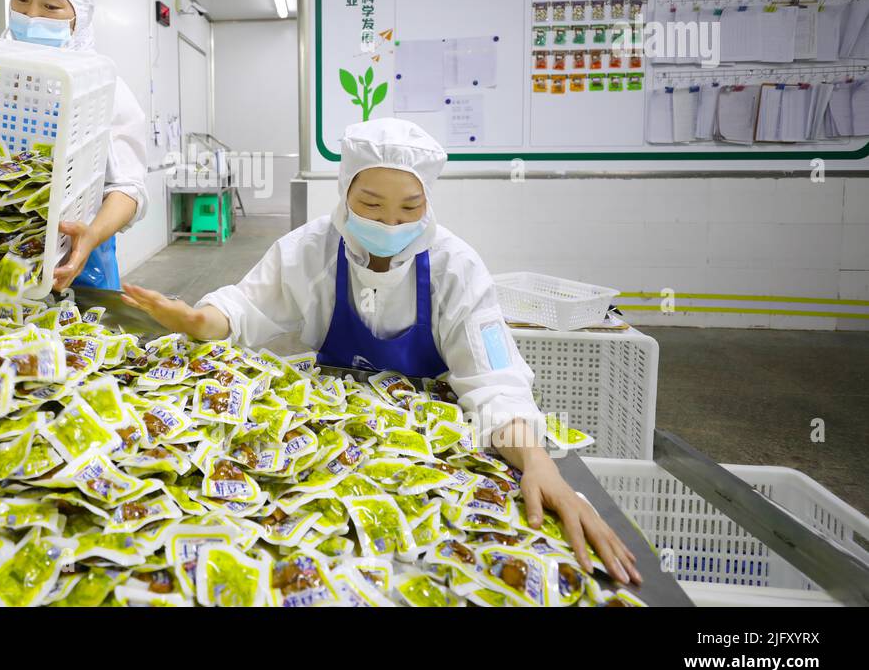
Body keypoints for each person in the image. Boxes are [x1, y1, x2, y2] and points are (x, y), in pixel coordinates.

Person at [123, 118, 641, 585]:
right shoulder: (310, 249)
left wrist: (535, 462)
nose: (390, 223)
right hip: (332, 430)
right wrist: (200, 320)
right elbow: (246, 305)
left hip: (427, 431)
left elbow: (495, 381)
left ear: (428, 204)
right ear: (345, 192)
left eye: (409, 208)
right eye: (370, 204)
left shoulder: (456, 269)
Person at [5, 0, 149, 290]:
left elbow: (128, 189)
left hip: (75, 262)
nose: (31, 15)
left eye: (50, 5)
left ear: (77, 18)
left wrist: (92, 235)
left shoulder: (105, 87)